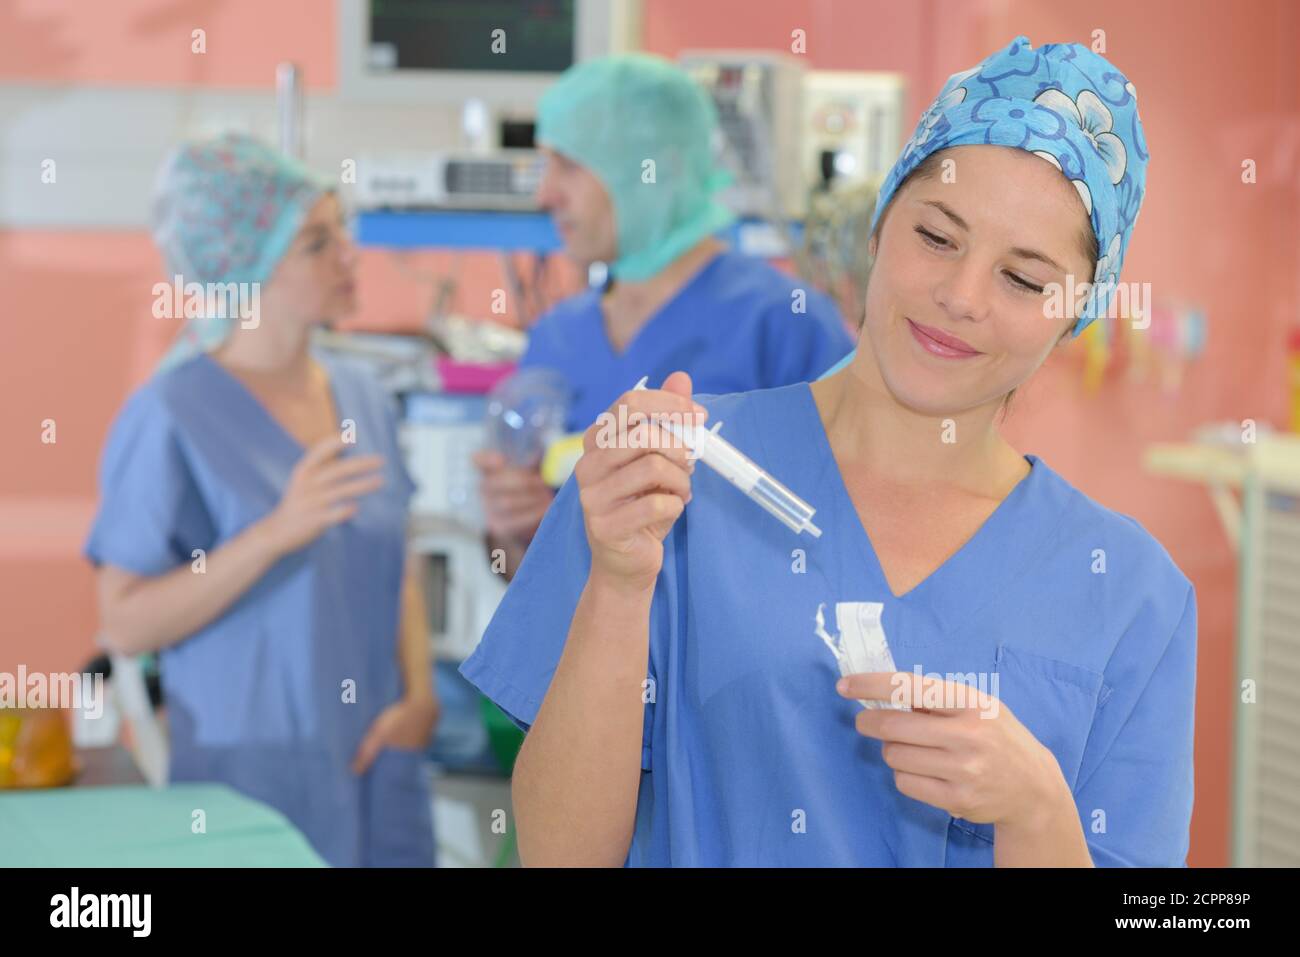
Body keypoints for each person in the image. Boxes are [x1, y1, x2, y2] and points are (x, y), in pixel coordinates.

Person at [462, 37, 1197, 867]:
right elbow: (559, 855)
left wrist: (1035, 811)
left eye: (1023, 280)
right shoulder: (665, 477)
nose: (960, 297)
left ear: (1076, 314)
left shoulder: (1131, 594)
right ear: (881, 225)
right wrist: (621, 583)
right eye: (938, 237)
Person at [85, 133, 438, 867]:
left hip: (380, 760)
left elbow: (396, 556)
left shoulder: (363, 397)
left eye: (343, 229)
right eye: (316, 242)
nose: (349, 254)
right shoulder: (172, 414)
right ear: (243, 271)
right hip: (249, 777)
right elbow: (123, 622)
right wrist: (274, 533)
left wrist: (420, 697)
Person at [474, 54, 855, 577]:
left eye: (570, 165)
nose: (545, 194)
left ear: (655, 170)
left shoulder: (784, 325)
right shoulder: (557, 337)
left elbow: (837, 542)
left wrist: (599, 535)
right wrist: (513, 529)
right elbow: (524, 577)